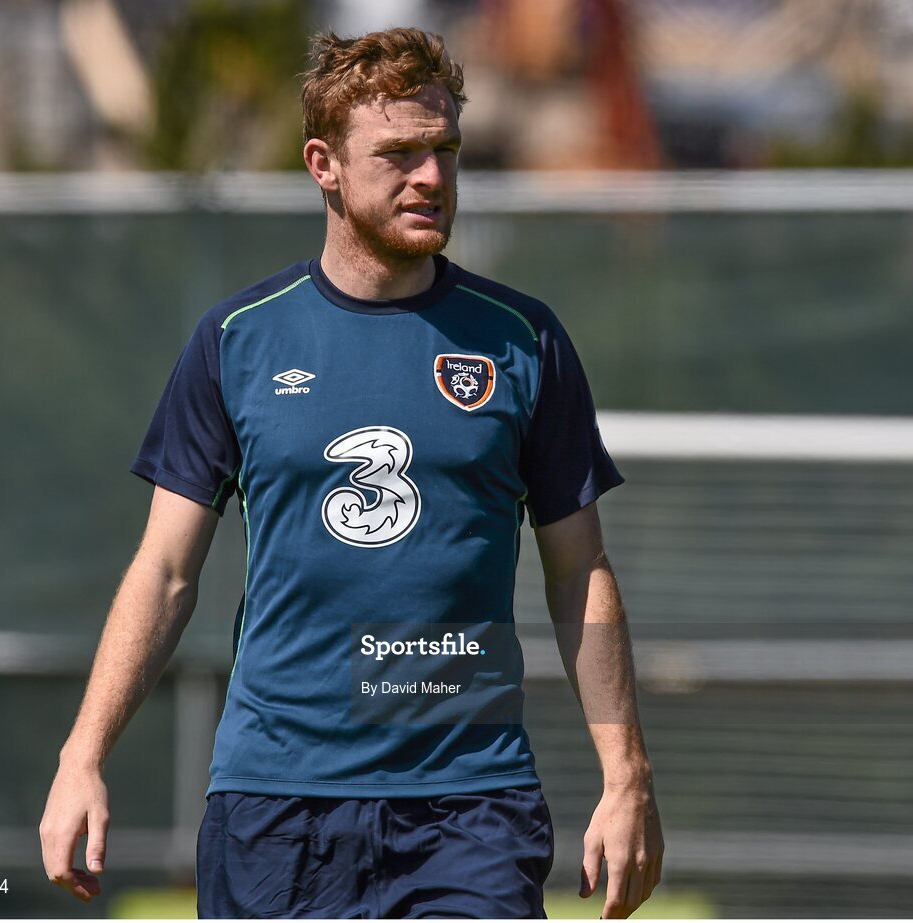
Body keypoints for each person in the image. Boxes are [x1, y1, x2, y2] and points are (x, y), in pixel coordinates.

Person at [39, 26, 664, 920]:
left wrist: (626, 772)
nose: (432, 178)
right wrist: (82, 755)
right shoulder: (236, 341)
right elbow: (167, 571)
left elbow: (580, 572)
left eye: (444, 149)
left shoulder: (524, 341)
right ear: (323, 165)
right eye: (399, 154)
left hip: (470, 804)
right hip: (274, 803)